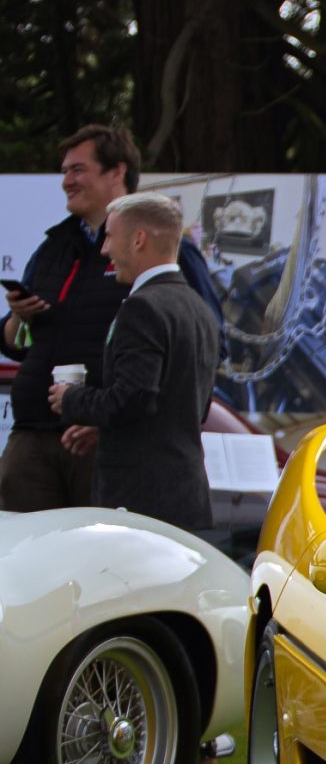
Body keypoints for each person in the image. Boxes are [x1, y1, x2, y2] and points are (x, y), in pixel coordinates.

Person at [49, 192, 219, 532]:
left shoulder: (142, 308)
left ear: (138, 239)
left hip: (140, 504)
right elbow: (186, 408)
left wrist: (70, 398)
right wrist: (105, 427)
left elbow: (133, 398)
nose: (104, 250)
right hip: (187, 498)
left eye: (109, 237)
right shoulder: (200, 309)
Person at [1, 124, 138, 510]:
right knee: (23, 560)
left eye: (78, 170)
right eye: (63, 171)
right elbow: (15, 344)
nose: (66, 181)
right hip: (31, 435)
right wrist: (19, 317)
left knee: (100, 560)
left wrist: (108, 419)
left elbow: (188, 338)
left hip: (101, 436)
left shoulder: (153, 244)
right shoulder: (53, 246)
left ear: (117, 172)